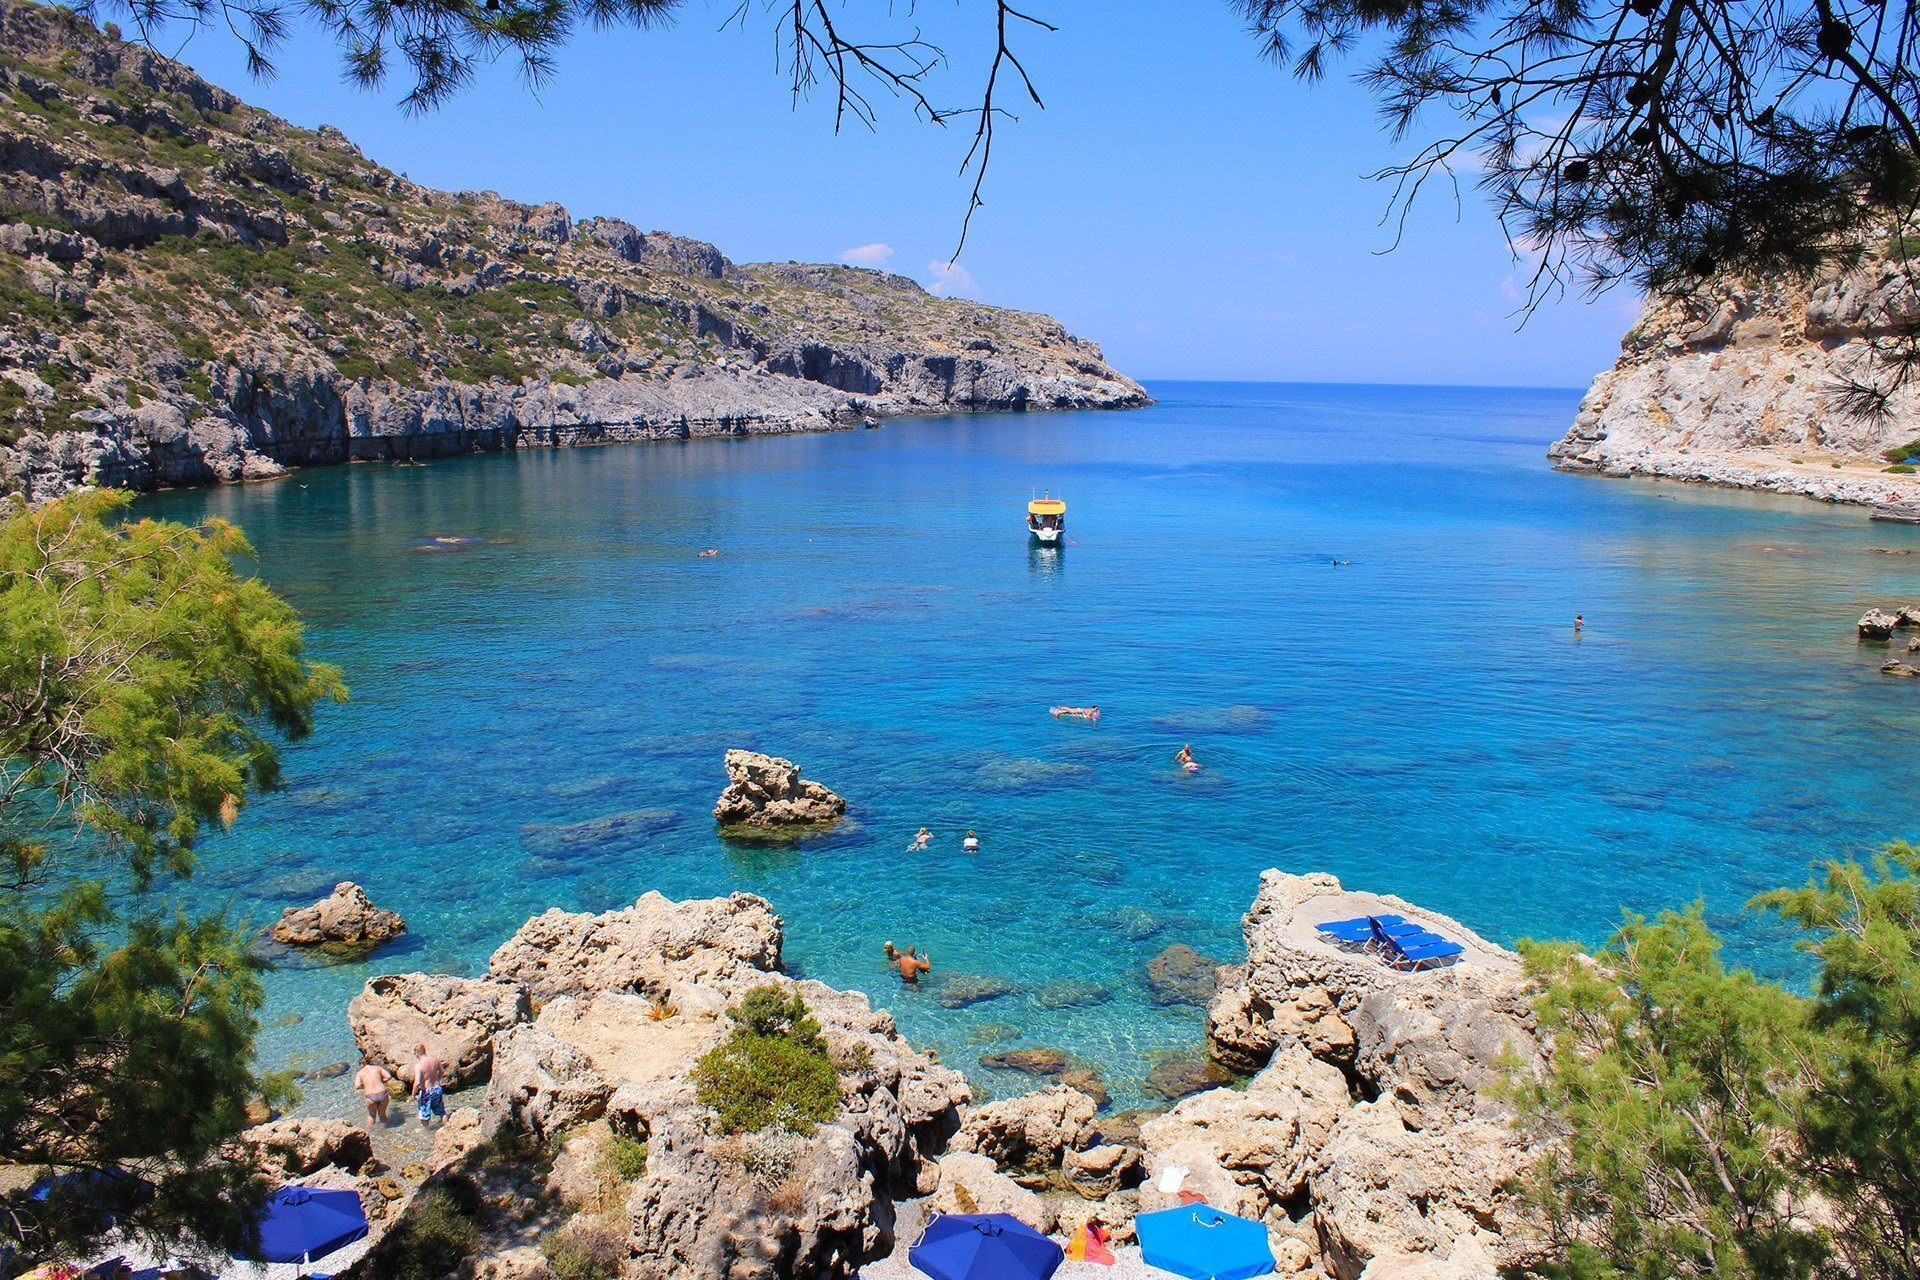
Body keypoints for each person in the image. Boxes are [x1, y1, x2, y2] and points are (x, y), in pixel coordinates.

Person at [354, 1058, 398, 1130]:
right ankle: (385, 1131)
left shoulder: (360, 1073)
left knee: (371, 1116)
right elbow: (388, 1076)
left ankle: (370, 1134)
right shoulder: (377, 1068)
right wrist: (381, 1081)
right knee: (382, 1115)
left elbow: (357, 1086)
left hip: (370, 1096)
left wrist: (365, 1086)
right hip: (382, 1093)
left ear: (362, 1064)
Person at [413, 1043, 446, 1126]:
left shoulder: (419, 1065)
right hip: (437, 1088)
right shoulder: (435, 1060)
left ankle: (426, 1133)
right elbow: (442, 1071)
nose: (415, 1055)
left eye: (414, 1053)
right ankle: (448, 1128)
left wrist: (413, 1094)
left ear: (418, 1053)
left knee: (424, 1116)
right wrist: (438, 1079)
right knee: (442, 1112)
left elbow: (417, 1082)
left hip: (427, 1091)